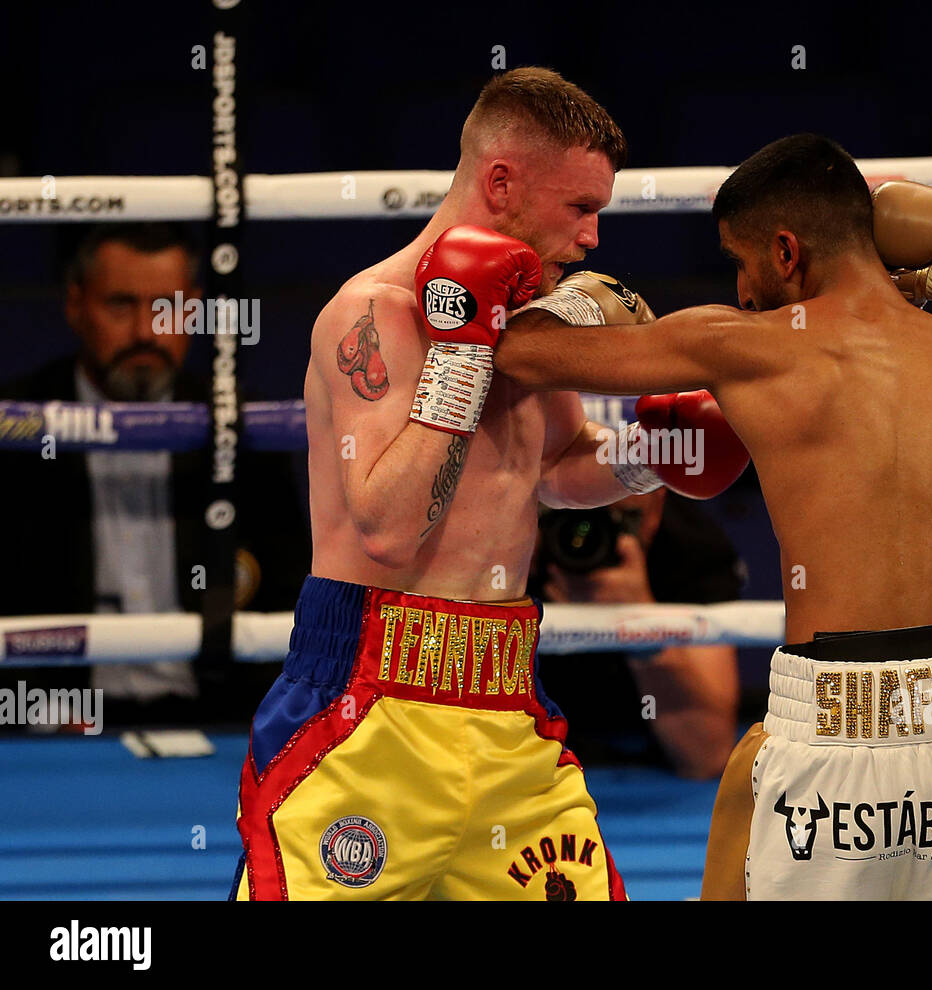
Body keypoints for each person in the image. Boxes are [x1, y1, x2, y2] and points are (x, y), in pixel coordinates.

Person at [494, 134, 932, 900]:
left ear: (784, 251)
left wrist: (599, 300)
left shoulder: (738, 346)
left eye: (740, 260)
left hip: (830, 727)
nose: (742, 290)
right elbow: (885, 360)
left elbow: (517, 354)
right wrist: (899, 280)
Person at [232, 67, 749, 901]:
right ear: (501, 183)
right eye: (580, 209)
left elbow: (552, 469)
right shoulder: (371, 314)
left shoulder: (532, 315)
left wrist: (650, 456)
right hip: (366, 709)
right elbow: (388, 530)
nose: (592, 239)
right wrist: (464, 353)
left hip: (508, 700)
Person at [0, 222, 308, 727]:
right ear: (75, 304)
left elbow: (285, 595)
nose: (145, 332)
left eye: (166, 308)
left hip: (213, 718)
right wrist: (36, 711)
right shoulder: (18, 428)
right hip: (55, 725)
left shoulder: (243, 426)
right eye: (121, 305)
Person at [532, 490, 745, 778]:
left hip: (651, 763)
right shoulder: (495, 546)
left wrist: (643, 628)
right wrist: (507, 585)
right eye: (563, 510)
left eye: (619, 518)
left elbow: (706, 756)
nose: (588, 533)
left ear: (658, 502)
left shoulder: (692, 547)